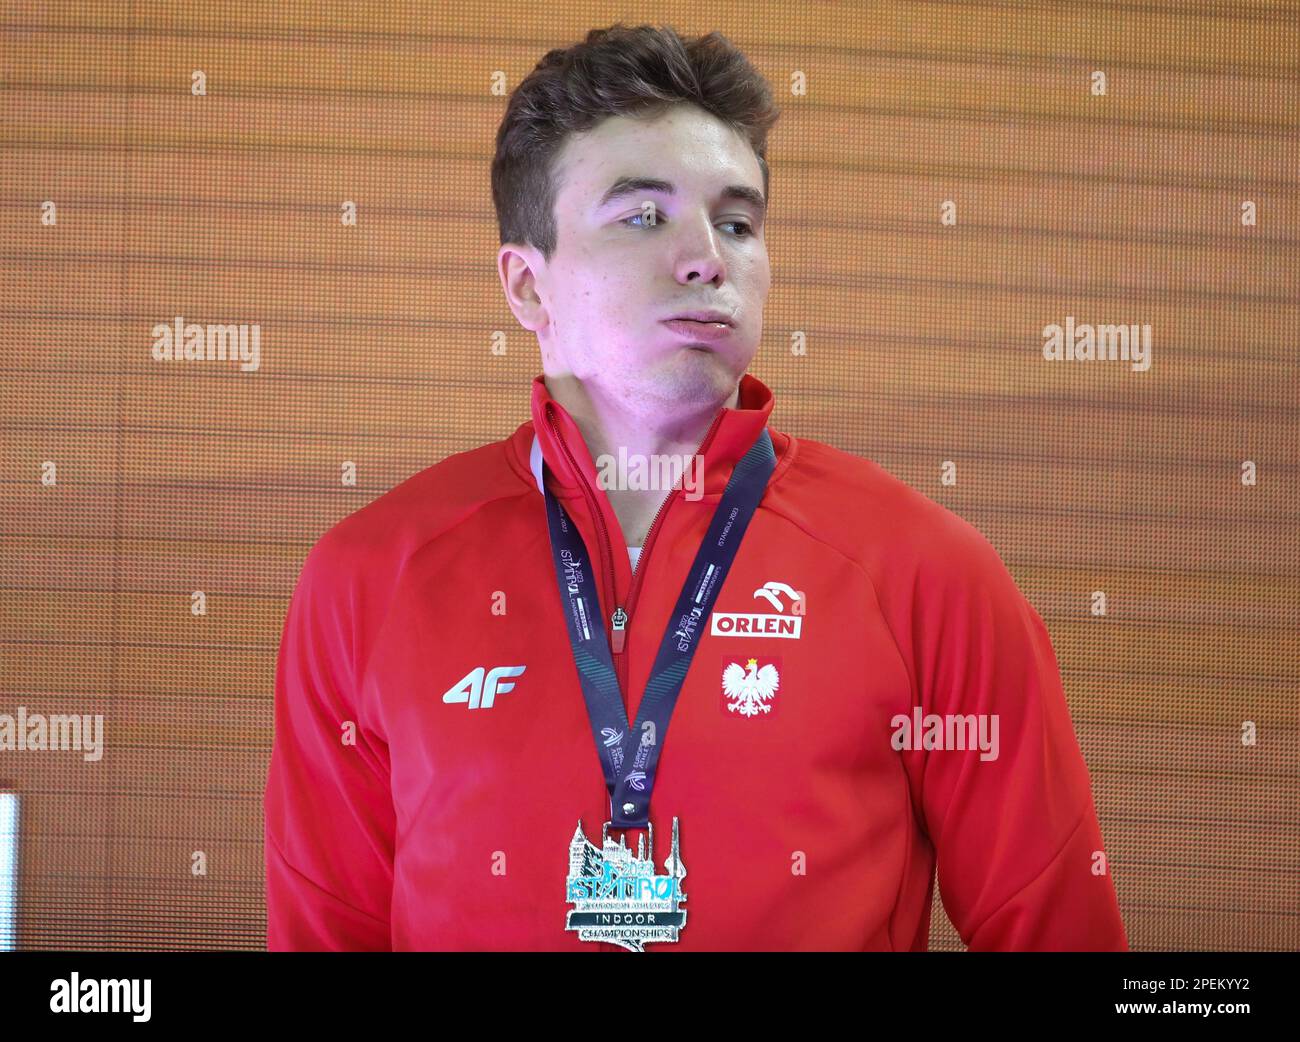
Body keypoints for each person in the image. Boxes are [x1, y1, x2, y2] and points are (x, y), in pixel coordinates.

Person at [263, 23, 1128, 951]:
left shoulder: (922, 571)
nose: (707, 256)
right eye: (643, 215)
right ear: (526, 286)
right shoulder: (366, 577)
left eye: (737, 221)